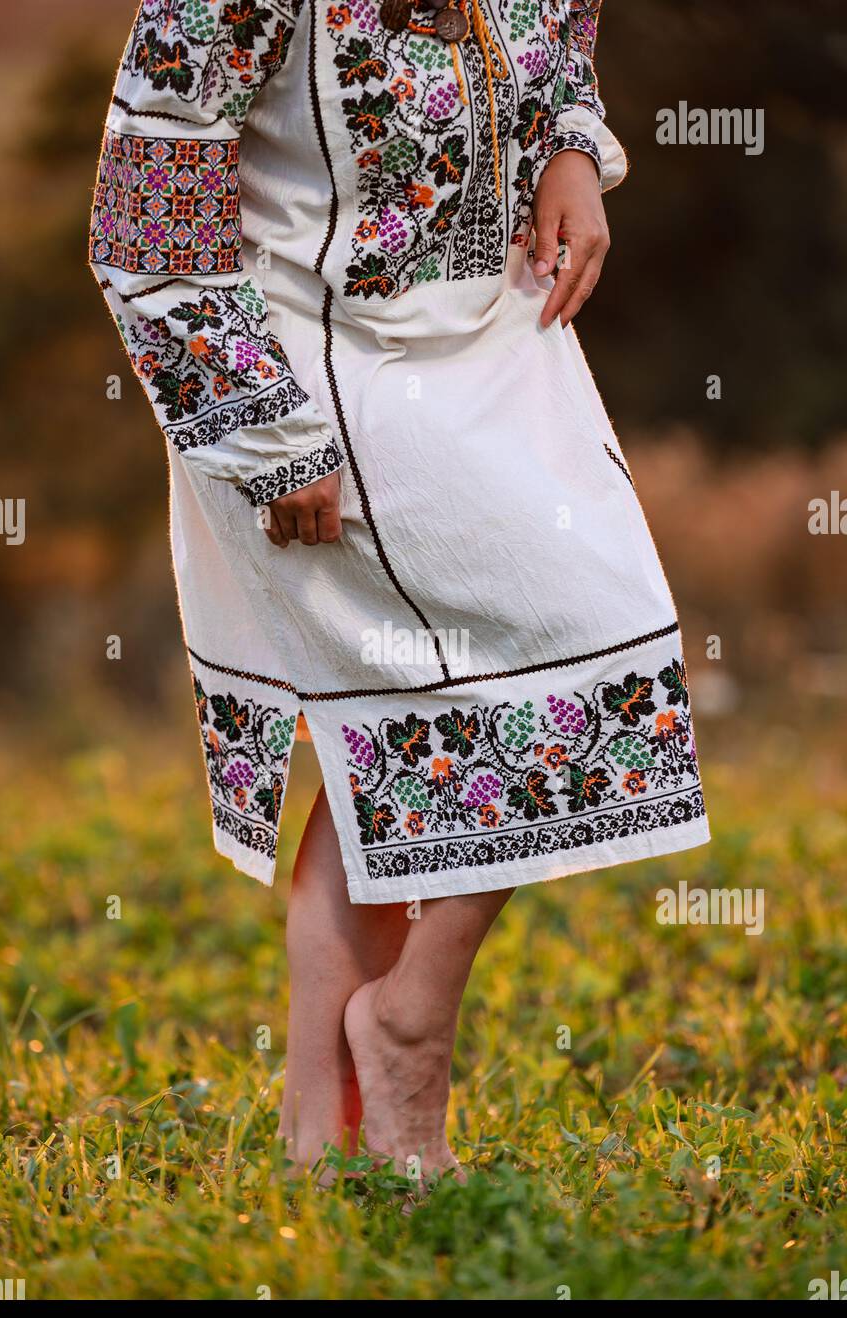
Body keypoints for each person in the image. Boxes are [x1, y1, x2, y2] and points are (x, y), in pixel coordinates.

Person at [89, 0, 708, 1181]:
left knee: (430, 718)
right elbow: (146, 213)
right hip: (310, 377)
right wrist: (266, 433)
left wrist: (570, 147)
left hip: (499, 344)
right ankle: (408, 1028)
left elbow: (558, 35)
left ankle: (327, 1137)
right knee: (575, 639)